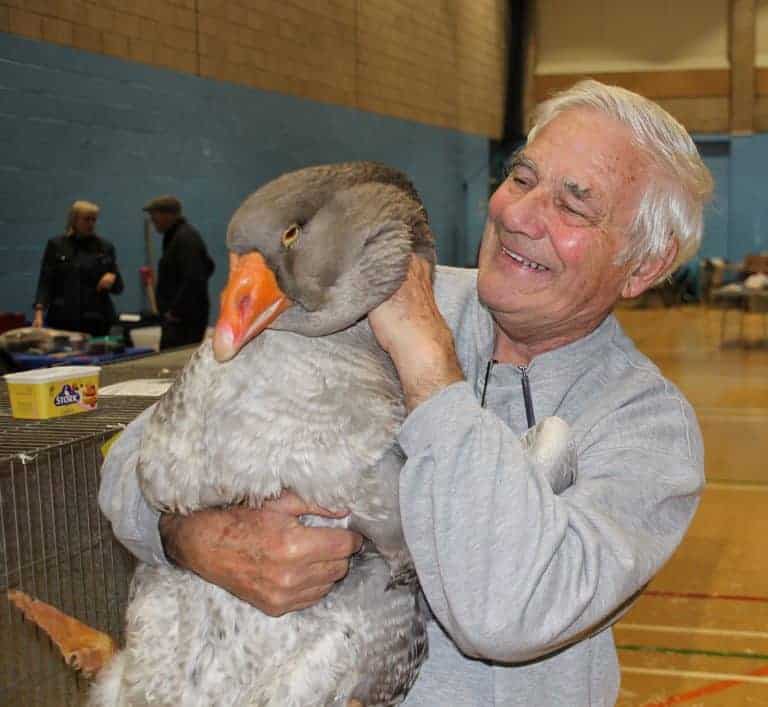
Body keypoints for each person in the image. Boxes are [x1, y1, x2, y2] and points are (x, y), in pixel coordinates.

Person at [100, 81, 713, 705]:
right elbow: (129, 468)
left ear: (644, 264)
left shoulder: (647, 428)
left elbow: (506, 614)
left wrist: (430, 370)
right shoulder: (365, 290)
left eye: (574, 207)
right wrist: (195, 539)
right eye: (522, 178)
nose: (518, 215)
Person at [33, 200, 124, 336]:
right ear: (74, 220)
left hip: (96, 319)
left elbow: (119, 288)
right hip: (63, 318)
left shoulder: (105, 247)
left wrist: (112, 277)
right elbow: (45, 282)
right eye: (86, 219)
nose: (91, 224)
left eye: (94, 220)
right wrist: (39, 314)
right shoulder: (57, 245)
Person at [143, 195, 215, 349]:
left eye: (154, 214)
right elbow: (208, 266)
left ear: (168, 215)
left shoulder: (184, 239)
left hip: (182, 321)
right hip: (181, 318)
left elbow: (195, 278)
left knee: (174, 359)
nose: (152, 219)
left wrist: (176, 311)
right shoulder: (178, 236)